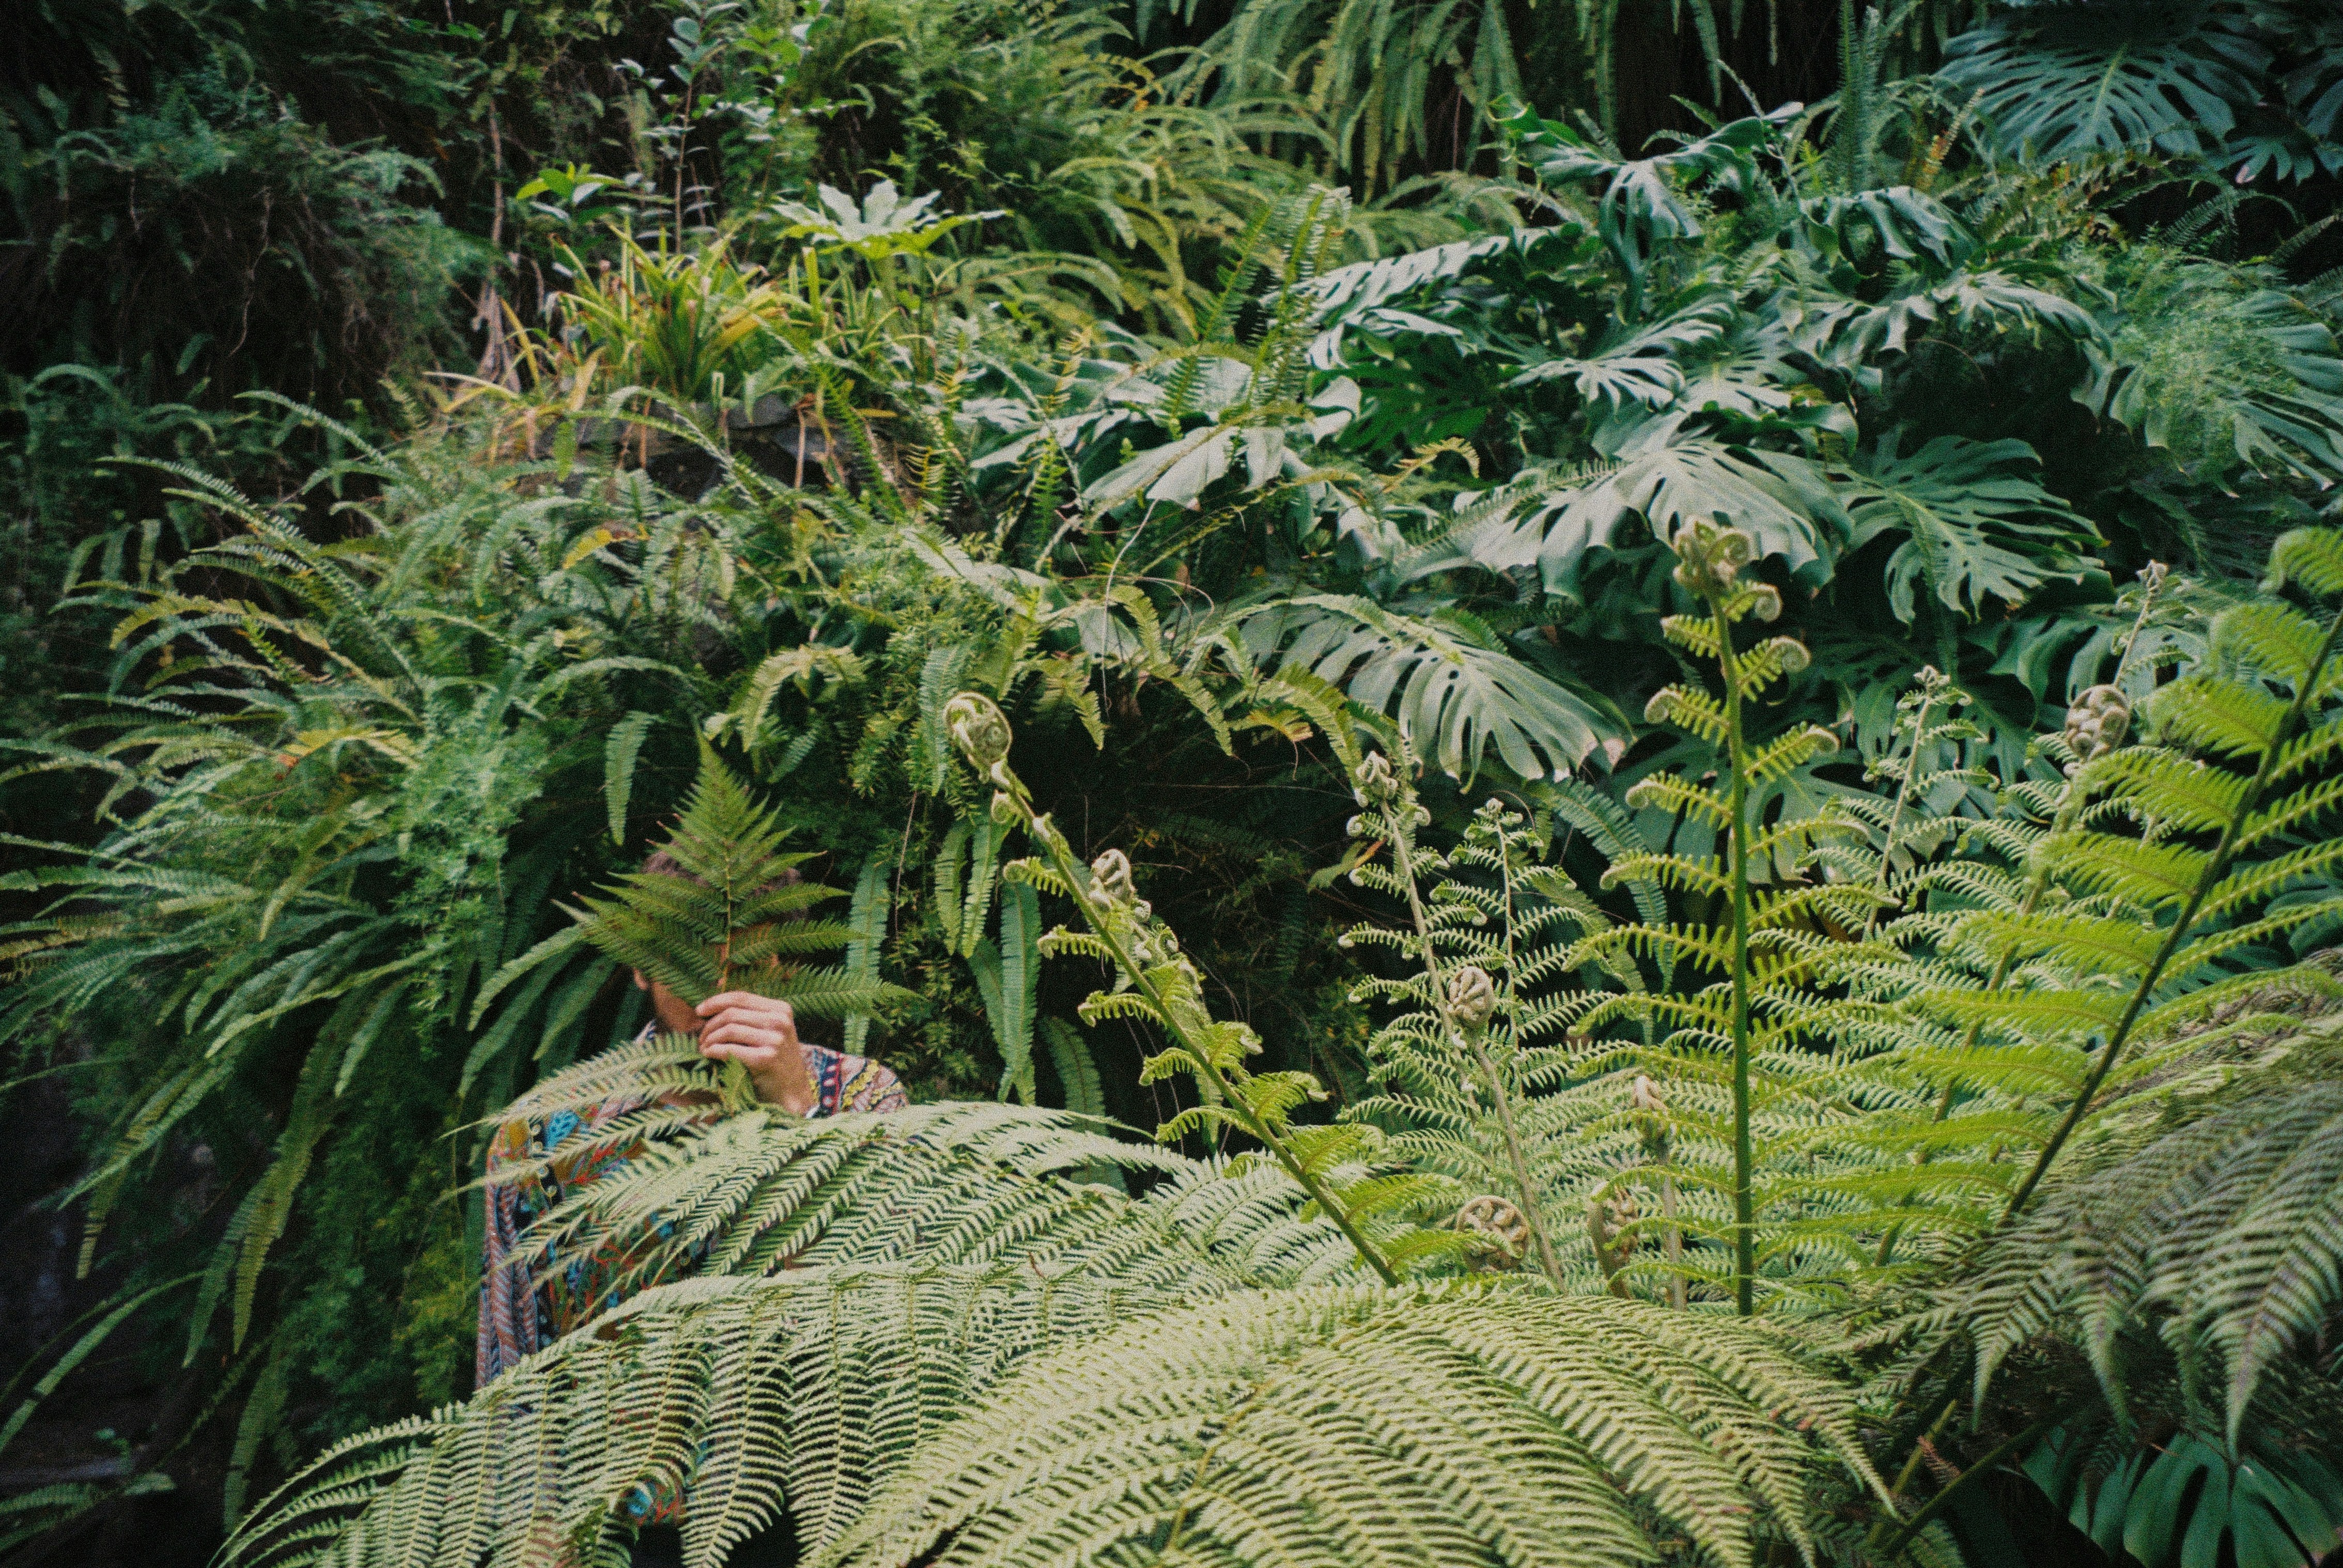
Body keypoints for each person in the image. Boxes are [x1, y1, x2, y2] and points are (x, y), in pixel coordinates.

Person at [476, 855, 907, 1388]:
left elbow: (885, 1321)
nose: (717, 992)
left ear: (784, 964)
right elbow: (513, 1379)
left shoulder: (864, 1098)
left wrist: (802, 1116)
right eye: (689, 960)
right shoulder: (538, 1140)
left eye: (742, 962)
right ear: (640, 965)